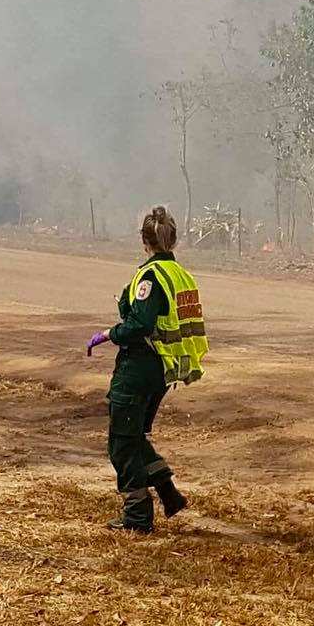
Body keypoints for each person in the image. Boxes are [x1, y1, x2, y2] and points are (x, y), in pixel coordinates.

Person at [85, 205, 207, 533]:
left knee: (122, 441)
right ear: (173, 239)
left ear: (144, 241)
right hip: (165, 369)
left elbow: (139, 324)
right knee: (135, 434)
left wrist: (110, 333)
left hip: (140, 365)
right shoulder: (181, 275)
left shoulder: (151, 277)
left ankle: (137, 517)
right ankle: (168, 493)